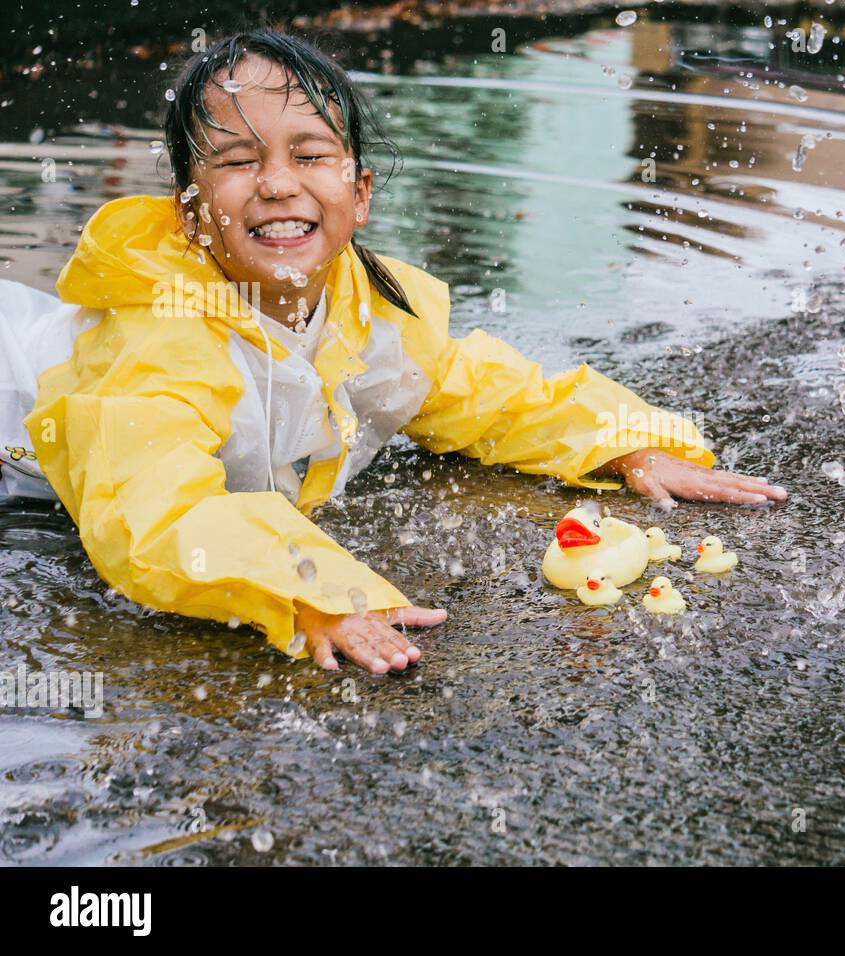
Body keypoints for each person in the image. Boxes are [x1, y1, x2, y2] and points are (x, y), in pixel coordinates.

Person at [1, 30, 785, 674]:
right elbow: (152, 511)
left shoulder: (370, 313)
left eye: (310, 156)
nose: (277, 184)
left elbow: (492, 392)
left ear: (362, 192)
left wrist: (630, 445)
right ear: (193, 215)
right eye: (239, 162)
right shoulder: (157, 334)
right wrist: (313, 588)